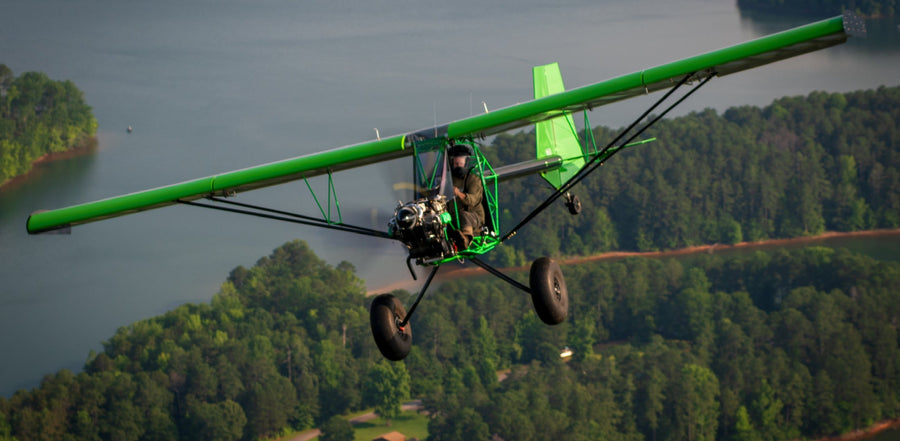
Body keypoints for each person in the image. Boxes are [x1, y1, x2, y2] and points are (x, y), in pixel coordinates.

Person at [447, 142, 484, 250]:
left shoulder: (473, 179)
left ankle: (466, 238)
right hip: (453, 219)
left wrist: (458, 193)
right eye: (456, 164)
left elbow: (472, 200)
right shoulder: (448, 181)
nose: (458, 166)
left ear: (466, 162)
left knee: (463, 215)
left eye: (461, 163)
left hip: (474, 218)